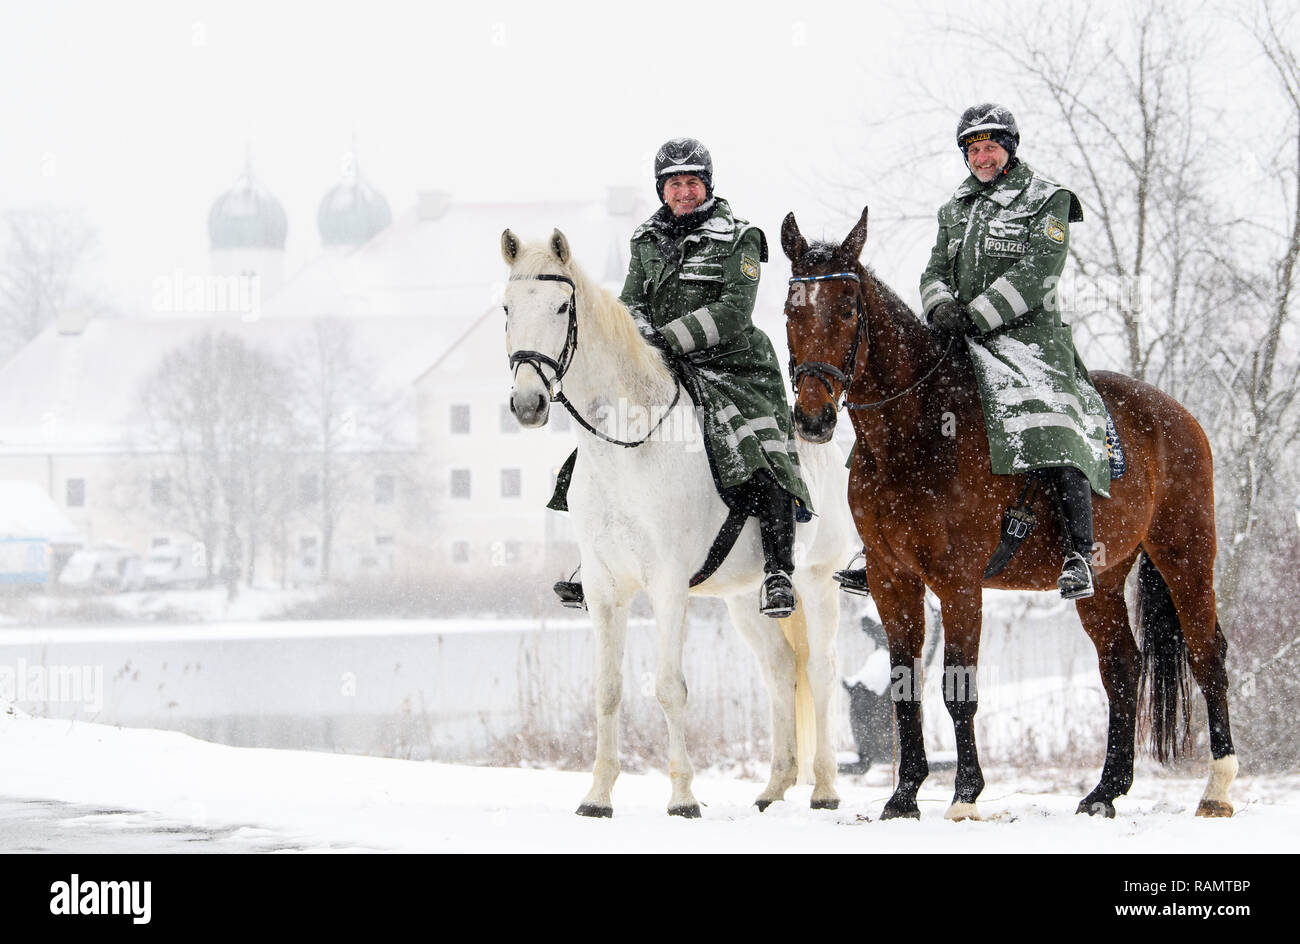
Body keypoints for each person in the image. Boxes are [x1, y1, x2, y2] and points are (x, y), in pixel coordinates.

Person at [550, 137, 810, 617]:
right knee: (609, 435)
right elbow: (629, 305)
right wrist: (643, 342)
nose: (684, 192)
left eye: (693, 182)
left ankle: (777, 570)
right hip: (661, 363)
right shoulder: (645, 238)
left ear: (707, 186)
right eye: (675, 184)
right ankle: (601, 562)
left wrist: (667, 338)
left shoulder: (741, 237)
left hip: (732, 365)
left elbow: (734, 309)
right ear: (662, 189)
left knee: (756, 447)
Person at [920, 103, 1110, 599]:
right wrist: (940, 306)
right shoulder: (953, 209)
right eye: (974, 149)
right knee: (909, 415)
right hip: (959, 339)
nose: (982, 157)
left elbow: (1039, 270)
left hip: (1029, 341)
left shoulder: (1047, 200)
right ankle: (883, 542)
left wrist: (977, 313)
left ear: (1010, 149)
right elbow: (933, 270)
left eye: (990, 147)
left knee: (1050, 425)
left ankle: (1077, 553)